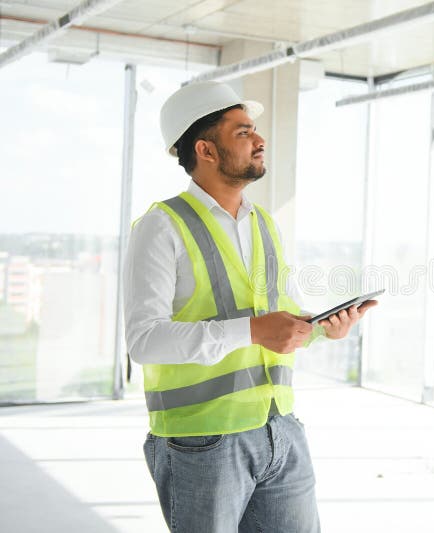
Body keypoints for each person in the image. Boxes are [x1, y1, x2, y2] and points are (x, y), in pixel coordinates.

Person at [123, 80, 377, 533]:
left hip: (280, 427)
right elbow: (144, 340)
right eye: (243, 132)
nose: (260, 140)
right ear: (205, 150)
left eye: (254, 130)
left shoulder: (263, 223)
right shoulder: (161, 226)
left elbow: (278, 314)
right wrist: (255, 331)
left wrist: (322, 329)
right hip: (201, 439)